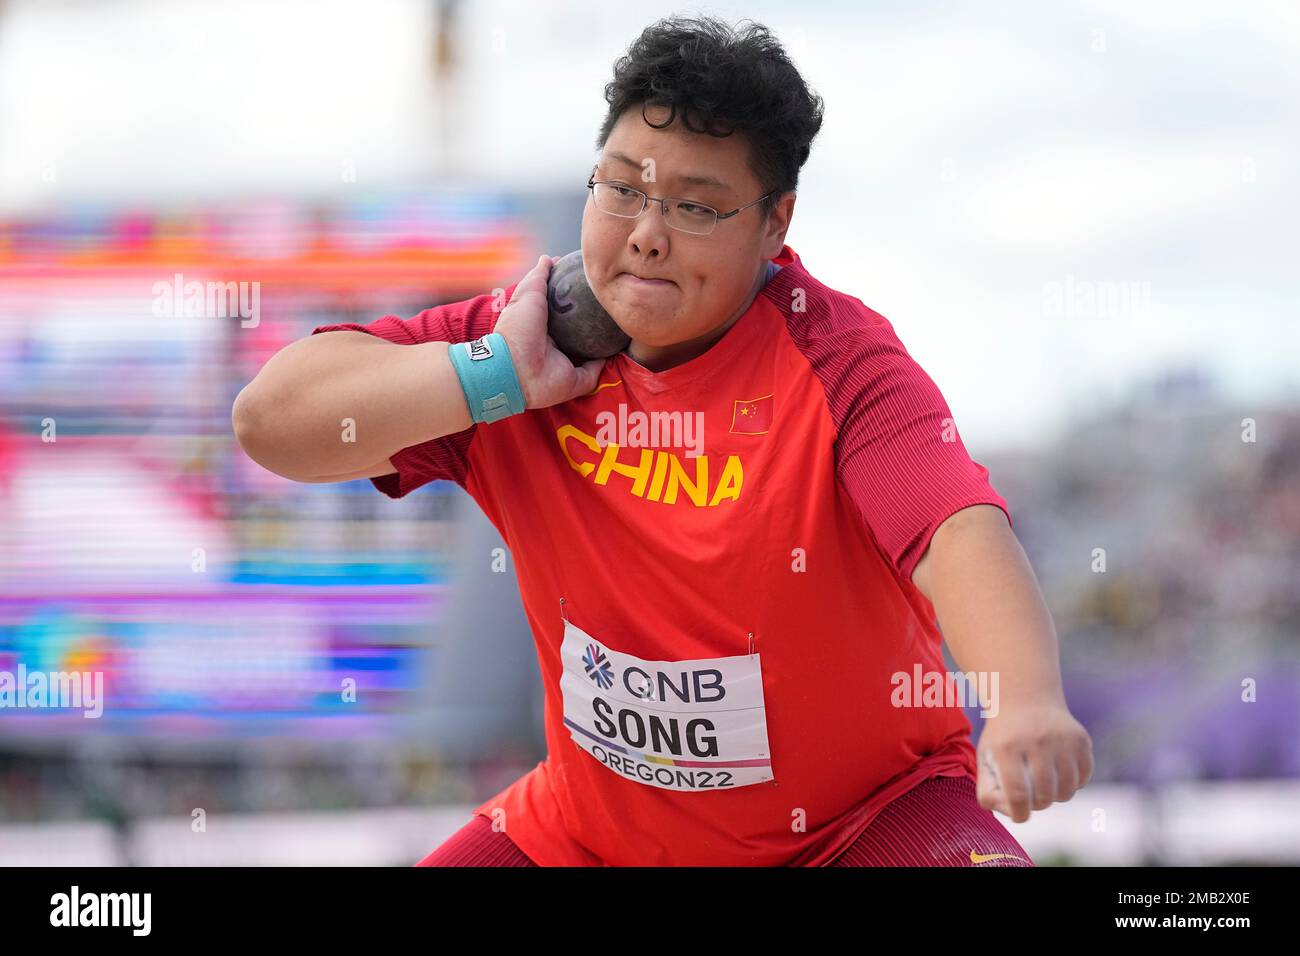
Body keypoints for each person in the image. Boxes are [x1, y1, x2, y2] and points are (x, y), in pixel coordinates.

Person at [232, 15, 1092, 866]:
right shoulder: (519, 340)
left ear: (775, 223)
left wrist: (1023, 702)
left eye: (694, 206)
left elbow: (955, 530)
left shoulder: (842, 365)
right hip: (588, 838)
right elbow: (272, 426)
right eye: (620, 190)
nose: (646, 231)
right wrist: (492, 379)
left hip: (863, 827)